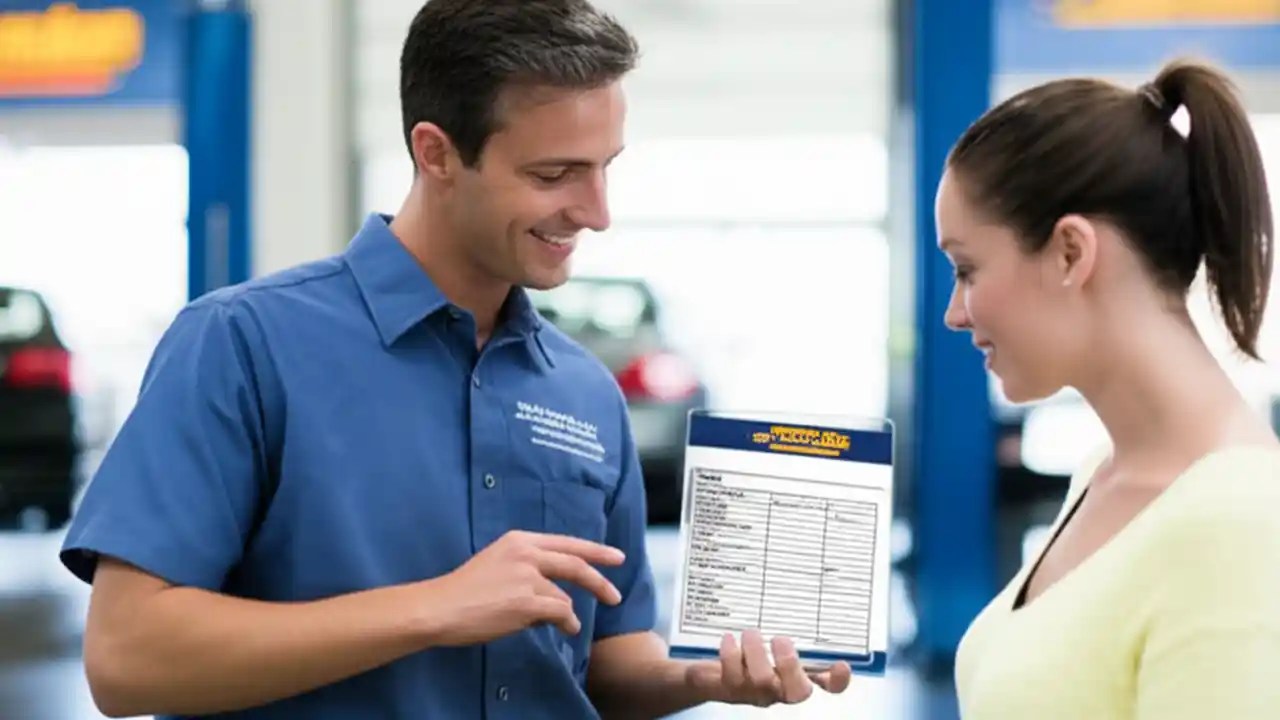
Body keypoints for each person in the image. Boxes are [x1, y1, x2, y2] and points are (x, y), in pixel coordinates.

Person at [60, 1, 853, 718]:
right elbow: (129, 659)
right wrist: (435, 608)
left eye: (606, 166)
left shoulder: (584, 391)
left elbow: (605, 659)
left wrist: (703, 679)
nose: (597, 212)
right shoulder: (242, 345)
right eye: (554, 175)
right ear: (436, 153)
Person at [936, 57, 1280, 718]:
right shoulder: (1103, 476)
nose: (955, 312)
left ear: (1070, 251)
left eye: (967, 268)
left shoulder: (1238, 523)